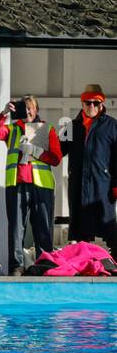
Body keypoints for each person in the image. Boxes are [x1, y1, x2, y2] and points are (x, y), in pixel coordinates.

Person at [0, 96, 61, 275]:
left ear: (36, 110)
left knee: (43, 227)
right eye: (24, 108)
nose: (28, 112)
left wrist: (36, 151)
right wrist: (4, 113)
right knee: (16, 229)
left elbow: (56, 158)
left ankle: (44, 264)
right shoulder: (12, 129)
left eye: (31, 108)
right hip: (17, 183)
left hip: (41, 185)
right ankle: (17, 266)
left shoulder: (46, 128)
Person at [63, 84, 117, 249]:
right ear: (82, 103)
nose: (91, 106)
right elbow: (57, 151)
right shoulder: (71, 127)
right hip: (79, 185)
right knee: (81, 231)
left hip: (103, 185)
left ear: (102, 103)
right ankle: (84, 264)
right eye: (87, 102)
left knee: (109, 227)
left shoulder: (112, 126)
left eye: (95, 102)